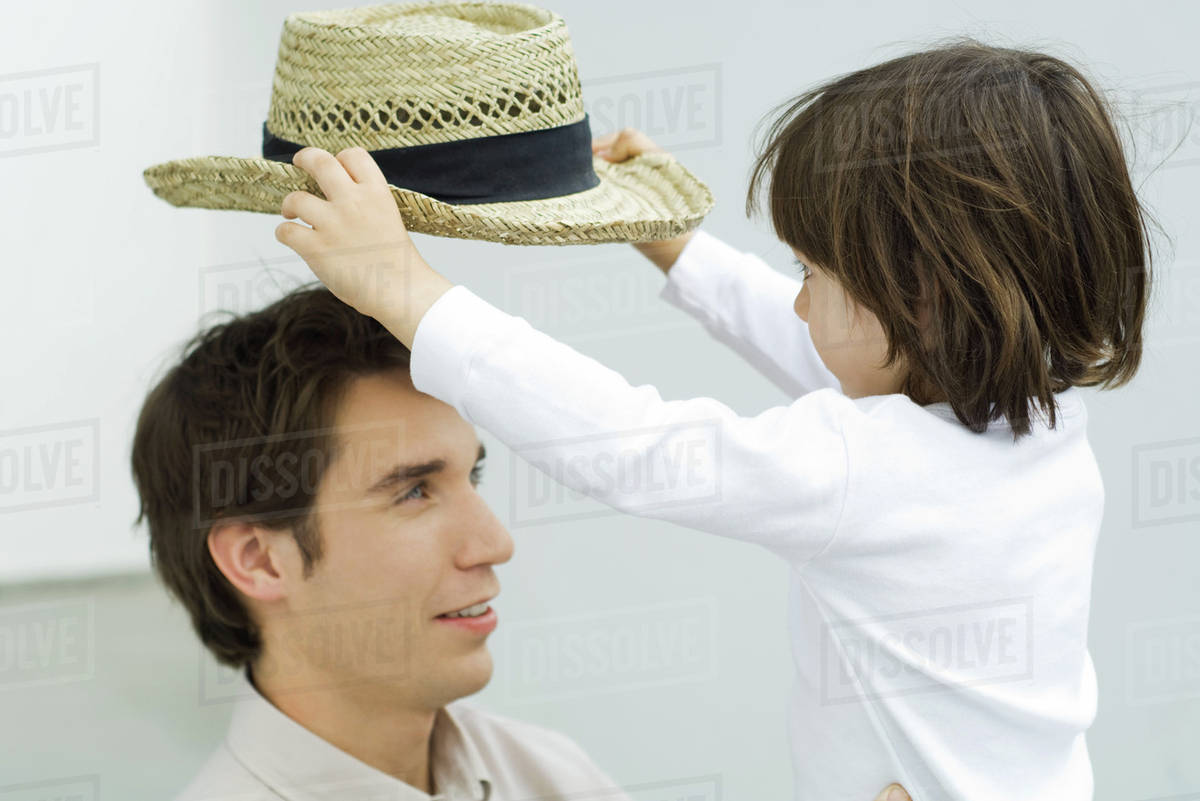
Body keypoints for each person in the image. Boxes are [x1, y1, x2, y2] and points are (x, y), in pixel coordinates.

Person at [273, 40, 1153, 801]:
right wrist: (670, 243)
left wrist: (407, 290)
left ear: (916, 299)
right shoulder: (1035, 427)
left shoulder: (870, 466)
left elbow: (630, 446)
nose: (800, 305)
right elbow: (829, 346)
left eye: (810, 270)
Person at [130, 287, 913, 801]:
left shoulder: (543, 774)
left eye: (470, 475)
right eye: (412, 490)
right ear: (259, 559)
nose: (493, 542)